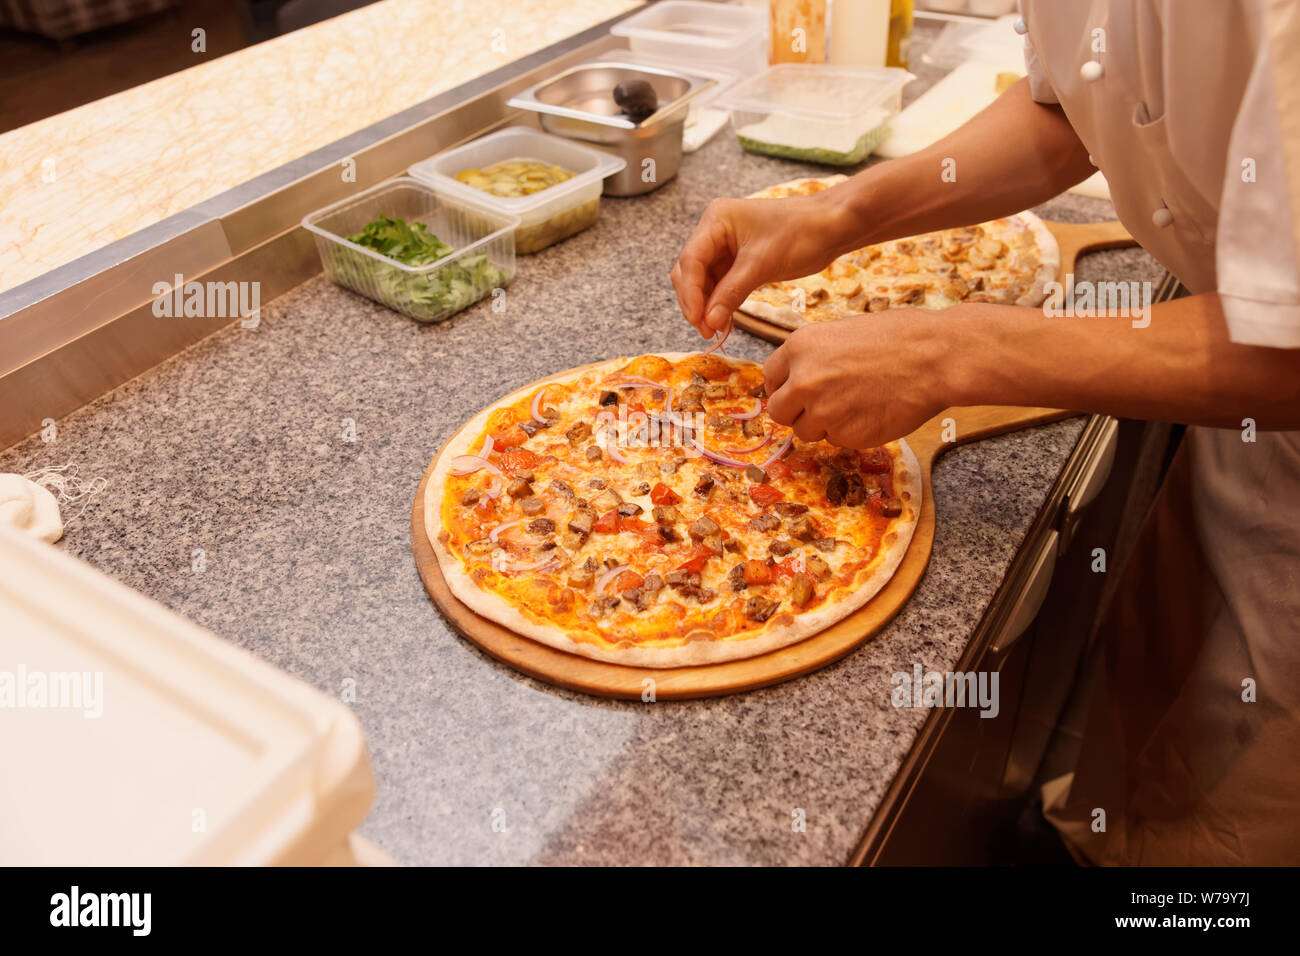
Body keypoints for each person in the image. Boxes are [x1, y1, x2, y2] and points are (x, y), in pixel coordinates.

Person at [671, 0, 1300, 865]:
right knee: (1156, 766)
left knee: (1237, 839)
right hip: (1232, 418)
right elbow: (1075, 109)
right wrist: (838, 214)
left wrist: (953, 350)